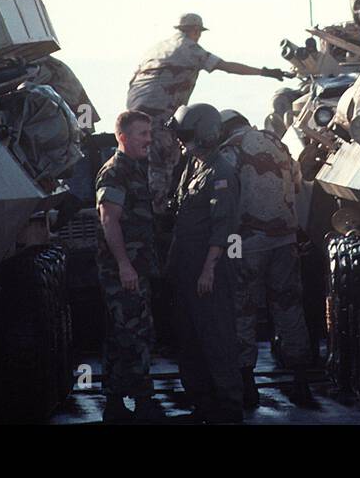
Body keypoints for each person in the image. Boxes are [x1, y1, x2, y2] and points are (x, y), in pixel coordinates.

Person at [125, 13, 286, 207]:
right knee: (163, 162)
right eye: (199, 32)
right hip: (159, 116)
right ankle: (160, 214)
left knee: (146, 162)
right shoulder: (190, 48)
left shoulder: (157, 48)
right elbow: (226, 67)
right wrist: (265, 72)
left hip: (134, 114)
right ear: (194, 31)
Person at [218, 110, 316, 410]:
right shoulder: (278, 143)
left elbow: (221, 198)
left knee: (242, 310)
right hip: (285, 242)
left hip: (245, 246)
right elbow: (298, 184)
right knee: (289, 309)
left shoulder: (229, 151)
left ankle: (248, 387)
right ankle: (302, 383)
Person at [167, 103, 244, 423]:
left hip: (207, 269)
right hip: (186, 267)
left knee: (216, 336)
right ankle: (202, 400)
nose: (181, 141)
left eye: (186, 135)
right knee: (191, 337)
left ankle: (228, 403)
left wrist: (209, 269)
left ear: (204, 134)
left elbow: (223, 226)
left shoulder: (221, 172)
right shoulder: (191, 166)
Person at [95, 110, 166, 422]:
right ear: (122, 137)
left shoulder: (136, 169)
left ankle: (114, 403)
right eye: (142, 134)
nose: (148, 140)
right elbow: (108, 220)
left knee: (121, 334)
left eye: (150, 134)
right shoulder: (114, 173)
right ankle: (144, 403)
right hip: (123, 270)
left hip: (136, 267)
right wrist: (124, 265)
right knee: (135, 334)